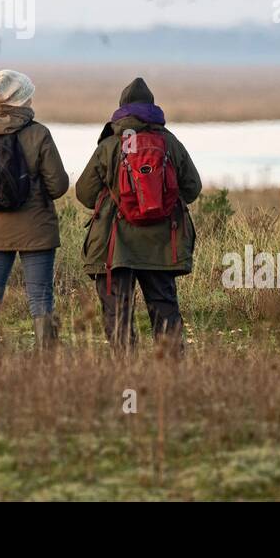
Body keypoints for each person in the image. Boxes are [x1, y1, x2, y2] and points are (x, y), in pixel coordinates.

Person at [75, 77, 201, 355]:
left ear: (122, 109)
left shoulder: (110, 144)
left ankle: (125, 368)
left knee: (117, 311)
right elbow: (193, 188)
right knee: (164, 306)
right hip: (161, 245)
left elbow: (84, 193)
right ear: (152, 108)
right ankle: (172, 372)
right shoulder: (169, 142)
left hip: (115, 246)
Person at [0, 69, 69, 356]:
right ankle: (48, 367)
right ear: (21, 99)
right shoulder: (39, 134)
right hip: (37, 231)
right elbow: (58, 186)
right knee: (41, 298)